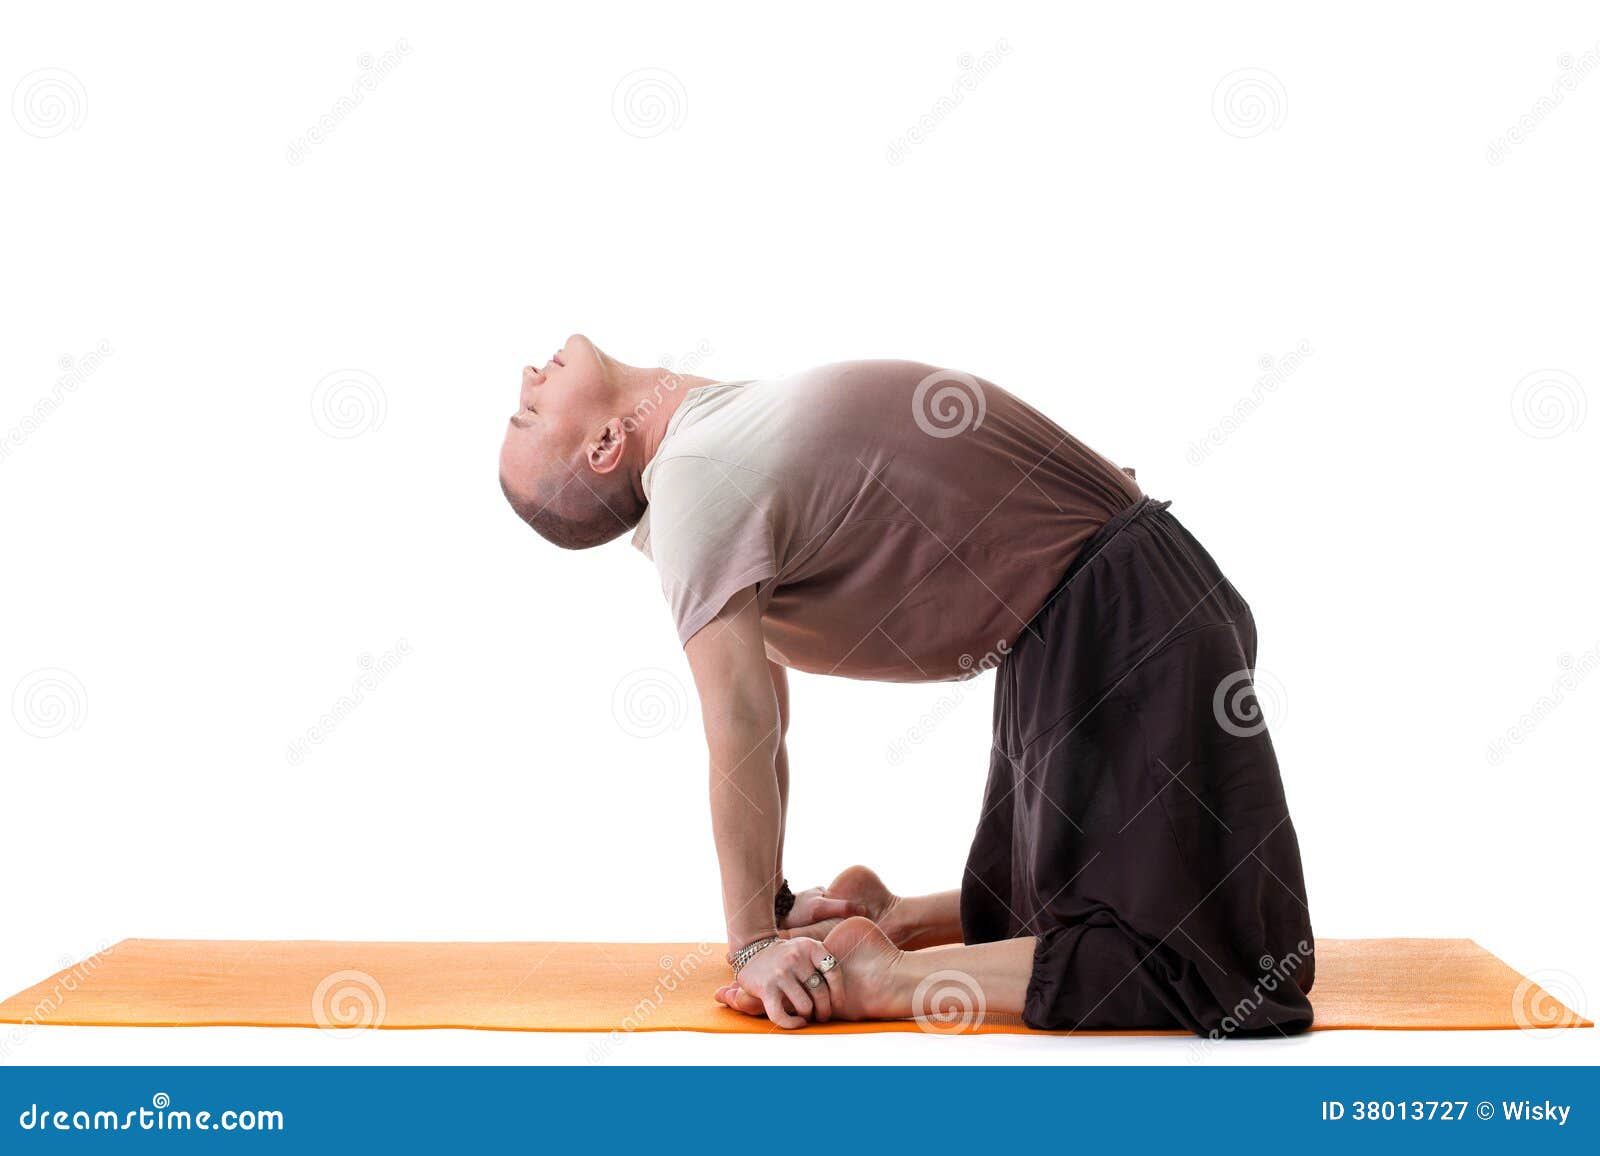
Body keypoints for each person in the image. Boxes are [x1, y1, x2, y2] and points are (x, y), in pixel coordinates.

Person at [499, 335, 1315, 1035]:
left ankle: (895, 922)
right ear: (606, 445)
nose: (529, 377)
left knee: (1113, 895)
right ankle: (882, 978)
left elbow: (767, 717)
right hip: (1109, 617)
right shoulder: (691, 485)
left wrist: (778, 904)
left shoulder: (706, 432)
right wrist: (753, 943)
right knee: (1224, 969)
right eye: (530, 412)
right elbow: (746, 720)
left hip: (1094, 611)